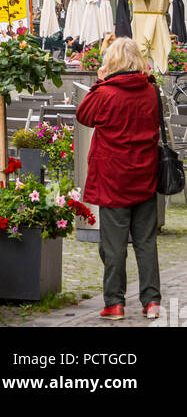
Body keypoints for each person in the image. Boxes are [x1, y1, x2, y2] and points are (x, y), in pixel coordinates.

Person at [76, 36, 161, 321]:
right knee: (146, 241)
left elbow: (83, 115)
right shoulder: (151, 90)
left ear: (111, 62)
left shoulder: (106, 92)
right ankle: (151, 302)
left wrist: (99, 81)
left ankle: (115, 303)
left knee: (113, 245)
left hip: (114, 178)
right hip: (145, 174)